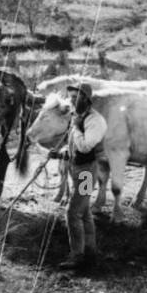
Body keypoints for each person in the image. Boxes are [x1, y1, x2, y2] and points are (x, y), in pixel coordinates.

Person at [56, 84, 108, 273]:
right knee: (84, 212)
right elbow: (74, 145)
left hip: (86, 173)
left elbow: (85, 147)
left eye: (75, 97)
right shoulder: (79, 117)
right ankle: (90, 251)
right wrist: (63, 151)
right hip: (77, 170)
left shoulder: (95, 120)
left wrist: (76, 129)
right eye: (70, 96)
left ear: (86, 98)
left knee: (73, 213)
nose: (71, 100)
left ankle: (77, 256)